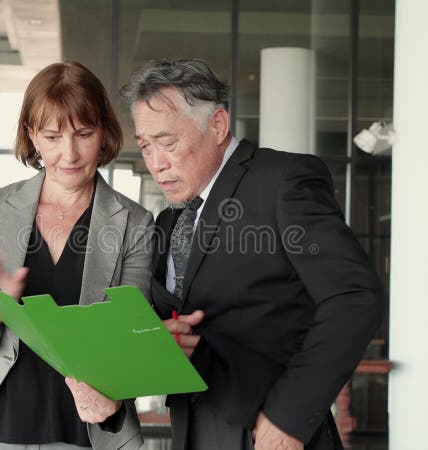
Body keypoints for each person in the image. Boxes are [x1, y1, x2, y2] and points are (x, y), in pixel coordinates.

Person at [118, 58, 383, 450]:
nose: (156, 163)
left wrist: (290, 419)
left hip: (271, 433)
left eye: (168, 142)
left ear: (218, 126)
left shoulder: (282, 182)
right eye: (145, 146)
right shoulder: (169, 222)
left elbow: (354, 297)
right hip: (193, 431)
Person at [0, 61, 152, 450]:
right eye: (52, 137)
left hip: (85, 434)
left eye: (83, 134)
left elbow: (134, 341)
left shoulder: (135, 223)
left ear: (103, 131)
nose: (68, 154)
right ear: (31, 135)